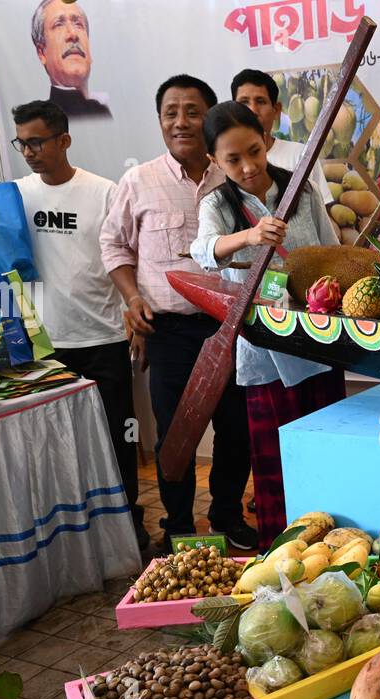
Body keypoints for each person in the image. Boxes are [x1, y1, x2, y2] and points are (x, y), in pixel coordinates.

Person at [0, 100, 148, 557]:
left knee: (117, 440)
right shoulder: (14, 195)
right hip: (40, 346)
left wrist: (136, 317)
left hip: (102, 337)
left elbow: (127, 259)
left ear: (64, 140)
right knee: (51, 449)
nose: (28, 151)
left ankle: (128, 530)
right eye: (21, 142)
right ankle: (69, 538)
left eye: (37, 141)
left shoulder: (104, 192)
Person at [101, 76, 256, 553]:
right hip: (167, 331)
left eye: (192, 111)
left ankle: (227, 515)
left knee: (236, 428)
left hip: (232, 329)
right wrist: (131, 300)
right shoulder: (138, 180)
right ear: (160, 120)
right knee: (175, 434)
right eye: (171, 112)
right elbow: (114, 246)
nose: (180, 121)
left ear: (210, 121)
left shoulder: (236, 176)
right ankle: (180, 528)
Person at [190, 102, 345, 551]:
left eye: (255, 151)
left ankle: (337, 545)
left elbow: (332, 252)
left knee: (325, 449)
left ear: (266, 138)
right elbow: (203, 249)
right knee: (276, 460)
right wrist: (248, 236)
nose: (248, 166)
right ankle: (282, 550)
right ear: (215, 162)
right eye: (232, 159)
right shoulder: (218, 204)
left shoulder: (301, 192)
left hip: (317, 345)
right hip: (264, 355)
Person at [230, 69, 333, 206]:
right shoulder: (225, 163)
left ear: (276, 110)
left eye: (260, 101)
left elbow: (323, 209)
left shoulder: (301, 155)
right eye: (244, 103)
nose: (253, 110)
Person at [30, 0, 111, 118]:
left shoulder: (106, 110)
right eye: (59, 24)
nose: (73, 34)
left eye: (78, 24)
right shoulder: (40, 122)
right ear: (42, 53)